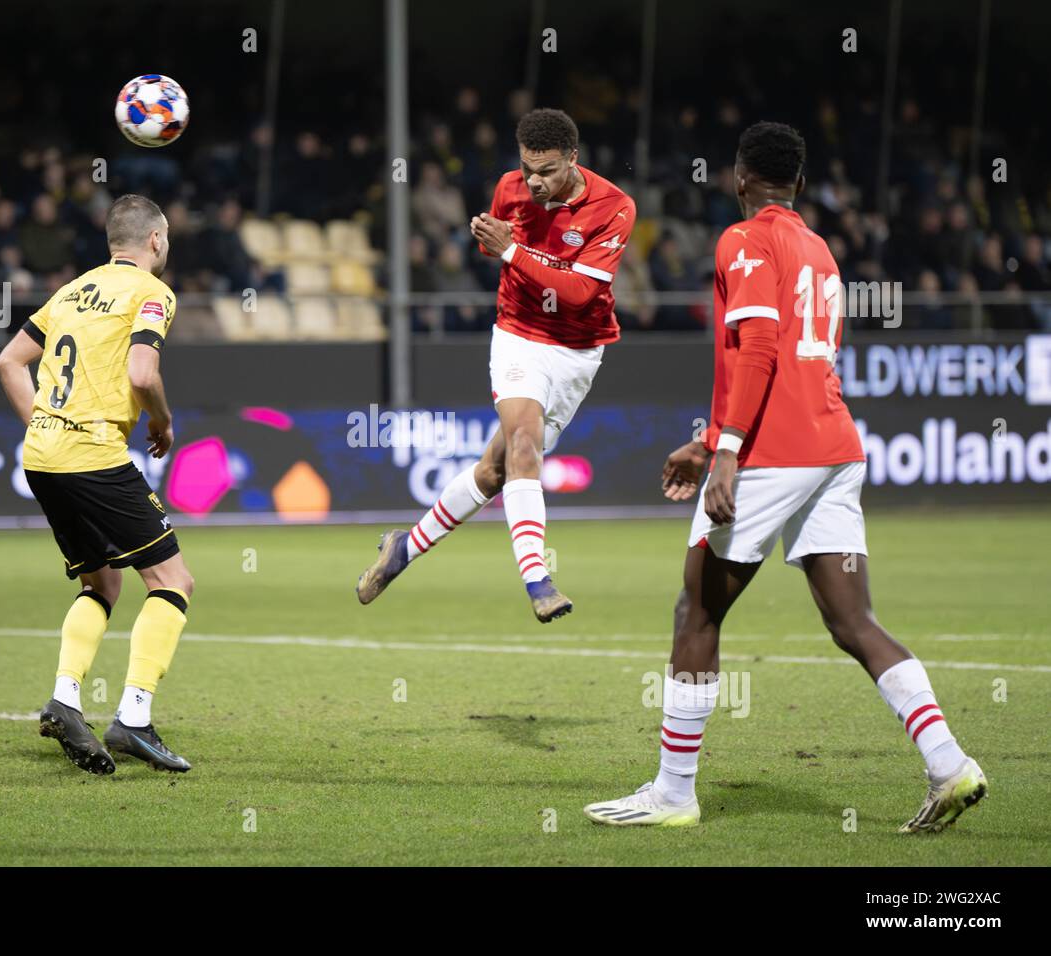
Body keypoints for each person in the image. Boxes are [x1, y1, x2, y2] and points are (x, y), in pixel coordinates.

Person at [583, 123, 986, 832]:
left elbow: (761, 347)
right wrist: (710, 438)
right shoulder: (821, 250)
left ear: (740, 179)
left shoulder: (742, 240)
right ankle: (948, 761)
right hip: (835, 447)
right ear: (797, 184)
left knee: (696, 610)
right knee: (853, 620)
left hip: (774, 453)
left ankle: (674, 792)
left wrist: (728, 449)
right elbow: (805, 353)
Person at [356, 108, 636, 623]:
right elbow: (505, 253)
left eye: (548, 170)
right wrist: (495, 242)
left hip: (578, 350)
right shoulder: (509, 188)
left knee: (494, 470)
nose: (534, 181)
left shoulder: (614, 207)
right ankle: (538, 580)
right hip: (518, 336)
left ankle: (403, 548)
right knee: (525, 444)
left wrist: (510, 251)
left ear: (573, 160)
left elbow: (579, 292)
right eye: (528, 167)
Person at [0, 194, 194, 775]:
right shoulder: (154, 293)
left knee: (102, 583)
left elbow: (8, 363)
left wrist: (46, 425)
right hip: (93, 454)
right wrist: (162, 420)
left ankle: (65, 699)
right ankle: (133, 718)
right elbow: (141, 372)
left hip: (42, 455)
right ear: (155, 241)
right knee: (173, 581)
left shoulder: (71, 290)